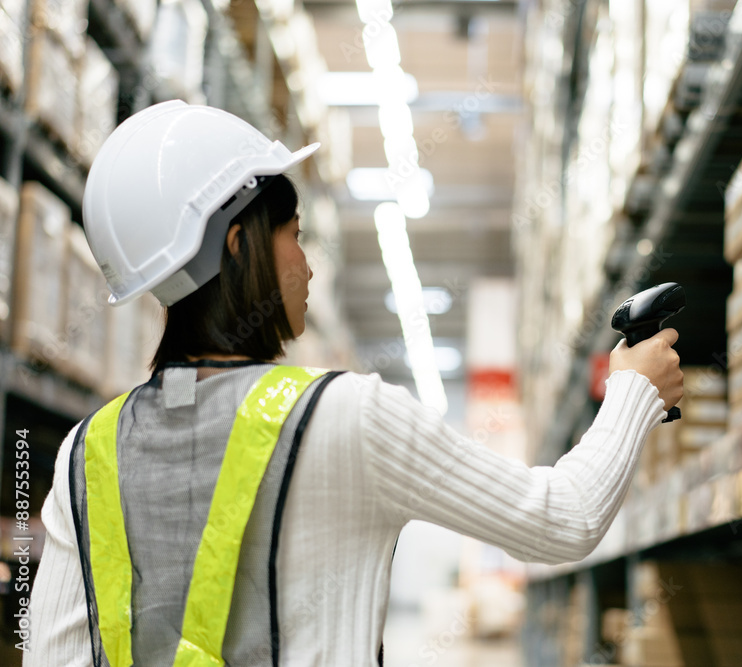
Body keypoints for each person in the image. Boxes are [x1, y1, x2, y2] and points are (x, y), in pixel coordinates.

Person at [26, 100, 683, 666]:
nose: (307, 267)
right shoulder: (343, 416)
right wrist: (634, 389)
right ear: (237, 245)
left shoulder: (89, 450)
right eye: (294, 236)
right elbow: (561, 518)